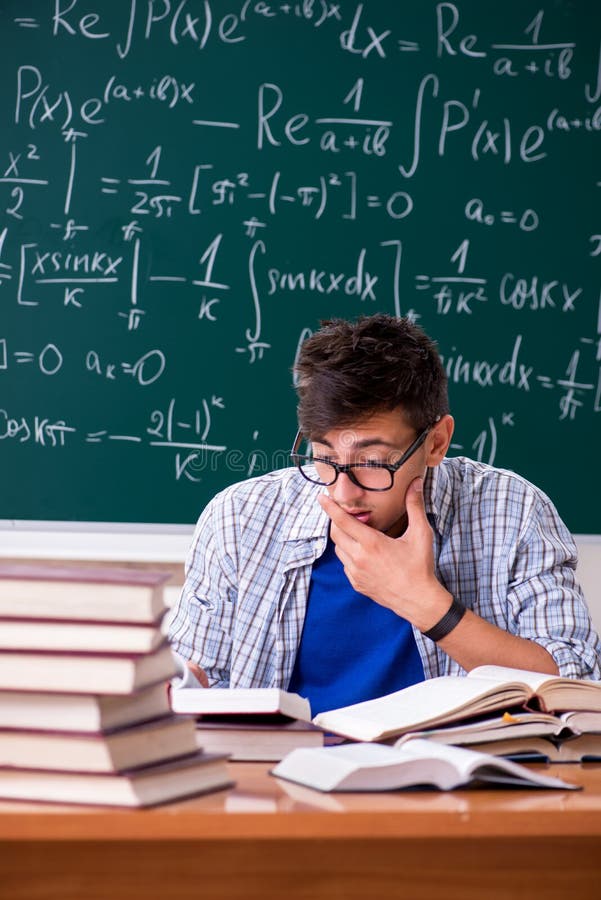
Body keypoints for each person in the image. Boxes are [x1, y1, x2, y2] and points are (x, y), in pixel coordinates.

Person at [168, 315, 601, 714]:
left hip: (459, 788)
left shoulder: (514, 511)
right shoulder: (239, 519)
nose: (343, 491)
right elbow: (197, 688)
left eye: (373, 462)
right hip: (283, 782)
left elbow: (576, 686)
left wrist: (422, 602)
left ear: (436, 443)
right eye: (323, 456)